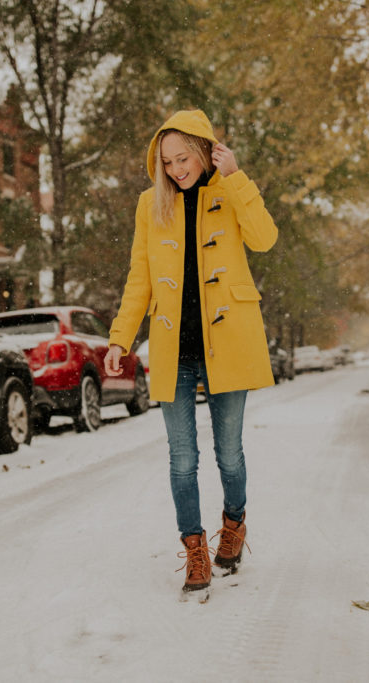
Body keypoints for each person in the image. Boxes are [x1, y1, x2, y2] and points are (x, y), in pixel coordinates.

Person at [104, 110, 278, 595]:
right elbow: (140, 277)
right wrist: (120, 338)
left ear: (205, 150)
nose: (177, 169)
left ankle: (234, 523)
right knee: (182, 458)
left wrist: (238, 177)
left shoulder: (230, 189)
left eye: (184, 158)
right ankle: (195, 547)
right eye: (168, 161)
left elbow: (265, 239)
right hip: (172, 346)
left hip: (228, 342)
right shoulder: (150, 203)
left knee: (229, 454)